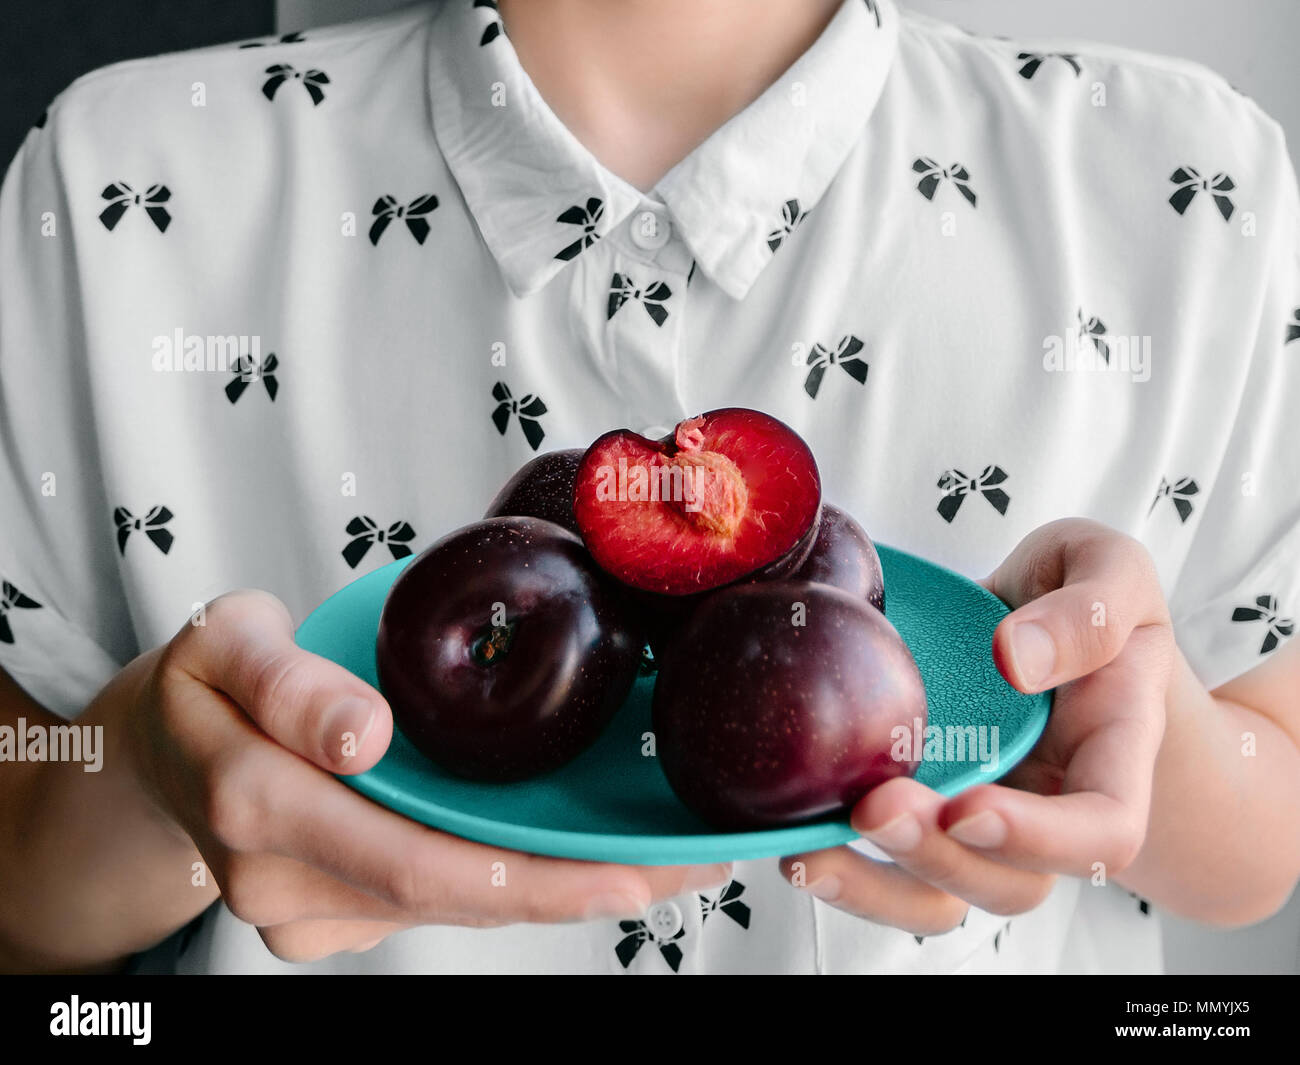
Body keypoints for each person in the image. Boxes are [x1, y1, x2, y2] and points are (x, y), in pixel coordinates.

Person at [0, 0, 1297, 975]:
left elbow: (1269, 817)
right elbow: (19, 841)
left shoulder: (1194, 191)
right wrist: (150, 778)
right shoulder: (117, 178)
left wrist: (1140, 726)